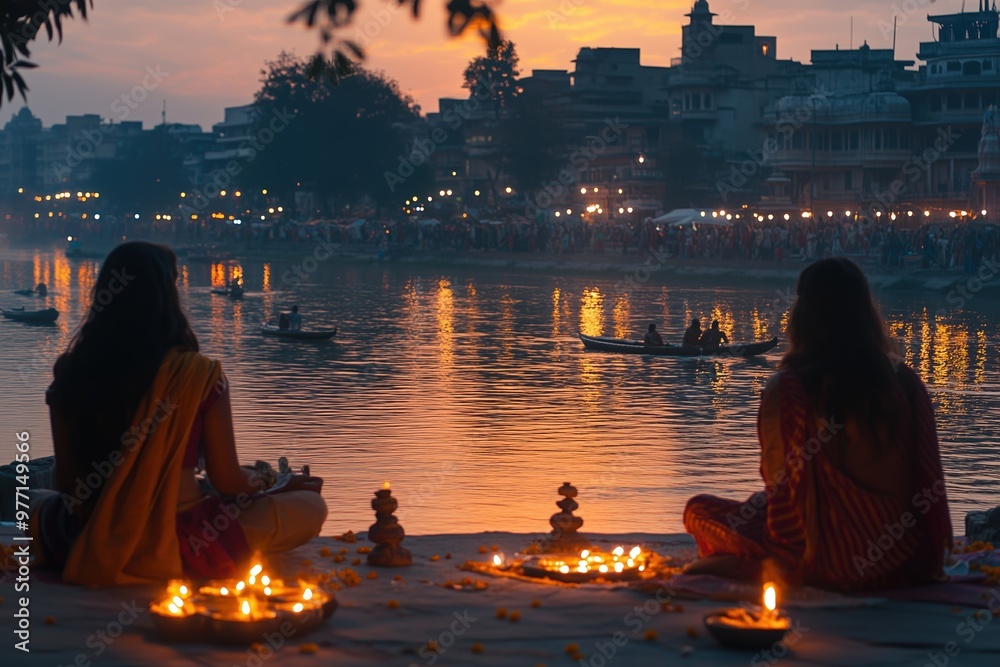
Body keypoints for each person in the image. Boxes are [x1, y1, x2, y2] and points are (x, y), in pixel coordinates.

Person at [30, 242, 327, 585]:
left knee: (37, 502)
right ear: (167, 298)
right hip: (183, 537)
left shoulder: (71, 371)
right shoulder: (197, 375)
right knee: (309, 506)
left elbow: (67, 486)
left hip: (87, 532)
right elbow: (228, 482)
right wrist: (271, 480)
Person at [682, 258, 952, 591]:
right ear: (867, 313)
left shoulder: (789, 388)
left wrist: (784, 550)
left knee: (699, 511)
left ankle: (771, 563)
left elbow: (781, 491)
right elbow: (930, 485)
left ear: (803, 316)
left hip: (825, 558)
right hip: (904, 557)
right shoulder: (907, 383)